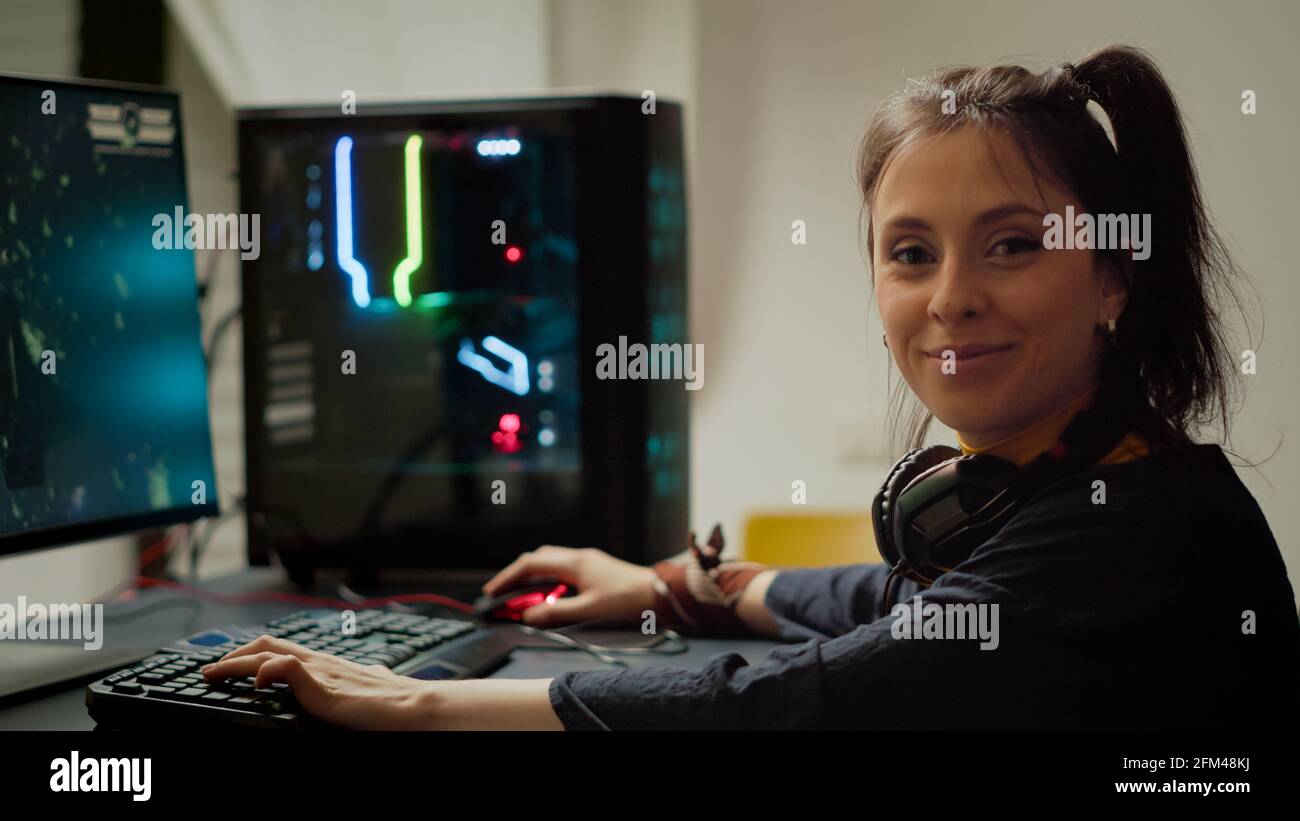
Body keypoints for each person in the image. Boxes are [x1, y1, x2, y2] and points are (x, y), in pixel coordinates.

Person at [201, 44, 1300, 730]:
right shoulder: (1076, 483)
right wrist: (686, 584)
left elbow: (810, 695)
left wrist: (421, 700)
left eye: (1009, 245)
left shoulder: (1141, 528)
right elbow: (895, 601)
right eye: (910, 252)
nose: (949, 298)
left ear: (1111, 274)